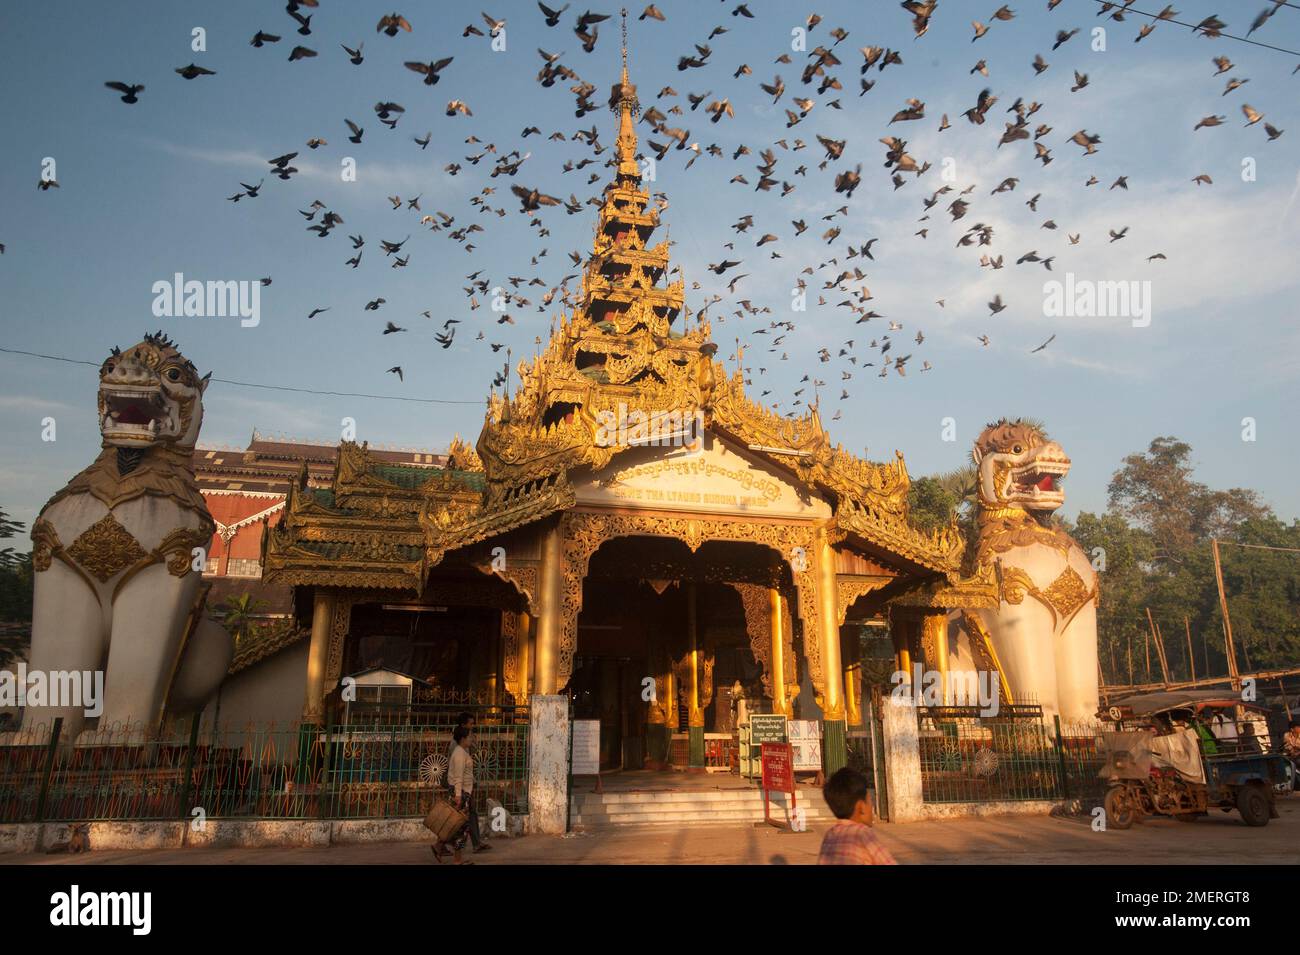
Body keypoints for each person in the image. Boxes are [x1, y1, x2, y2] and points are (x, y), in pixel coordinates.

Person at [817, 767, 897, 865]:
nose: (871, 806)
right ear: (861, 807)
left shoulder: (829, 835)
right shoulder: (861, 833)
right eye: (869, 800)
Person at [446, 725, 490, 863]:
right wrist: (458, 796)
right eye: (470, 736)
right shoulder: (459, 753)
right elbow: (458, 777)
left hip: (464, 792)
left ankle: (456, 858)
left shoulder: (462, 751)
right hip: (461, 794)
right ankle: (457, 860)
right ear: (463, 738)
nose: (472, 739)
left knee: (461, 827)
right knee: (460, 828)